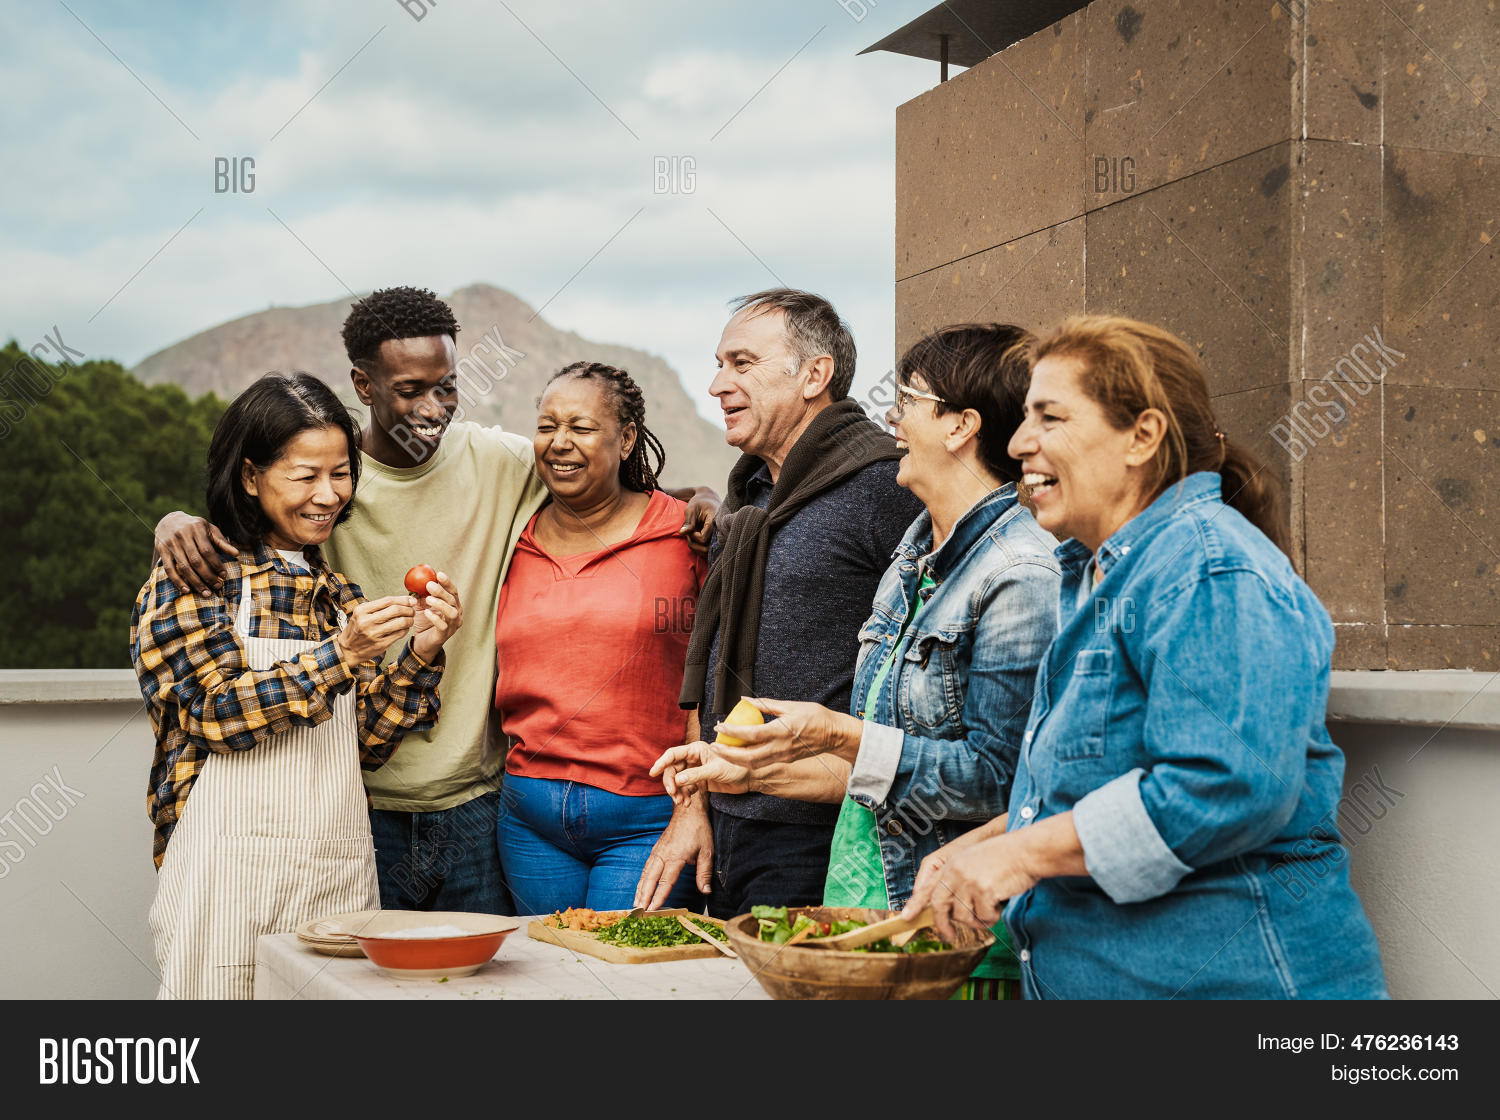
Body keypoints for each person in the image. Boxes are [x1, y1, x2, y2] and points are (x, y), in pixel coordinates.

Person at [153, 286, 719, 915]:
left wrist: (708, 502)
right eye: (410, 389)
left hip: (474, 805)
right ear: (364, 386)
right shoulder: (330, 488)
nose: (433, 407)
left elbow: (609, 484)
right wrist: (173, 520)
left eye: (446, 386)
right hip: (347, 802)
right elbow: (251, 529)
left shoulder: (500, 462)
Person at [902, 314, 1388, 999]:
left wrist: (1023, 853)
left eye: (1050, 417)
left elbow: (1224, 787)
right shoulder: (1095, 573)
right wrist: (988, 841)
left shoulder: (1209, 569)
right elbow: (1105, 784)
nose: (1018, 442)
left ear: (1143, 436)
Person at [653, 324, 1060, 998]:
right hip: (875, 915)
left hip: (957, 943)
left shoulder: (1020, 573)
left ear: (960, 426)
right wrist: (746, 770)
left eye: (910, 400)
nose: (892, 416)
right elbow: (882, 776)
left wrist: (833, 730)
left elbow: (1004, 786)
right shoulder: (912, 556)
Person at [131, 372, 463, 999]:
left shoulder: (336, 593)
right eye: (304, 475)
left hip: (335, 873)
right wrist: (342, 654)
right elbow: (216, 715)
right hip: (225, 882)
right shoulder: (196, 578)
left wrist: (421, 651)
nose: (327, 494)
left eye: (340, 473)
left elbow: (360, 747)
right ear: (251, 476)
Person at [634, 289, 924, 919]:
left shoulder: (887, 487)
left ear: (814, 376)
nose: (717, 384)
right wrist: (695, 806)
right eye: (718, 363)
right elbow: (709, 661)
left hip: (825, 829)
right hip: (735, 816)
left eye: (742, 364)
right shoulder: (750, 499)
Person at [493, 362, 708, 912]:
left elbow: (712, 675)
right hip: (528, 819)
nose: (560, 443)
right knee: (547, 982)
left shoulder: (685, 533)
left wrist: (695, 804)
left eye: (582, 428)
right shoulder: (511, 540)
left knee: (623, 984)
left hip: (646, 817)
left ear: (627, 437)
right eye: (547, 426)